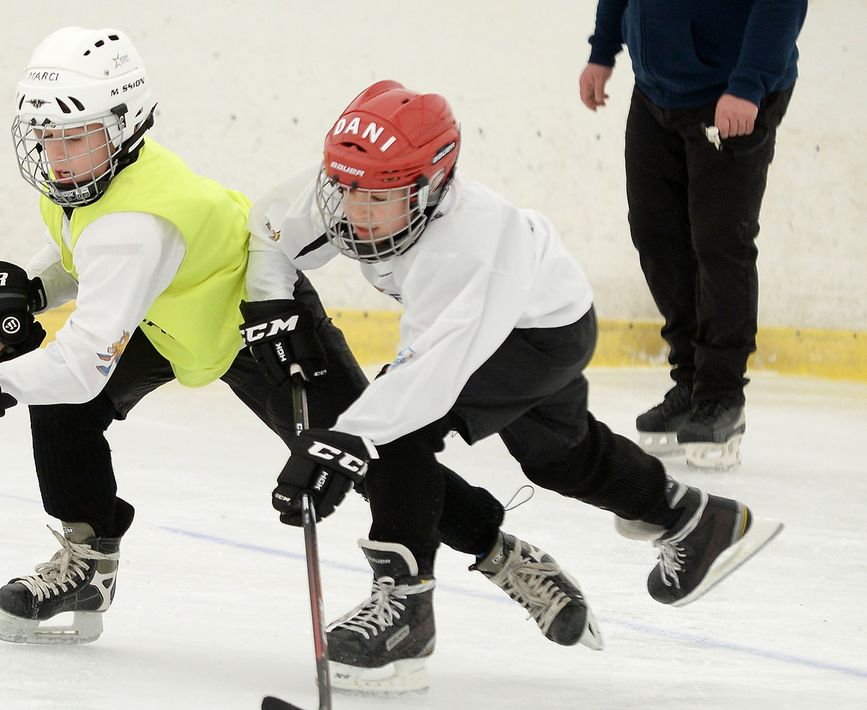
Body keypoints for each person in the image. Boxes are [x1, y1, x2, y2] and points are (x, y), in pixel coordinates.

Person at [0, 27, 600, 651]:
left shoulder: (136, 222)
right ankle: (87, 562)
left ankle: (505, 555)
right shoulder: (92, 174)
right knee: (62, 401)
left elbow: (88, 340)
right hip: (170, 317)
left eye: (72, 137)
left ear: (123, 125)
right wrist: (35, 289)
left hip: (256, 321)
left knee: (357, 454)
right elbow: (91, 257)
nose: (56, 156)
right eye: (45, 137)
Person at [254, 80, 783, 693]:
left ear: (432, 188)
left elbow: (423, 383)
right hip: (546, 308)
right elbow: (268, 225)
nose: (353, 212)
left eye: (378, 199)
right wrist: (270, 308)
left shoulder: (469, 245)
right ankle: (694, 519)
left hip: (536, 336)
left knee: (399, 435)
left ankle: (404, 618)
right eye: (343, 190)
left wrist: (341, 444)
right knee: (559, 457)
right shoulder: (353, 180)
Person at [578, 0, 808, 469]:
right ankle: (689, 380)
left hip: (735, 93)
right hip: (657, 90)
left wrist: (748, 85)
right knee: (656, 236)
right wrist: (602, 49)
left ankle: (722, 394)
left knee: (719, 243)